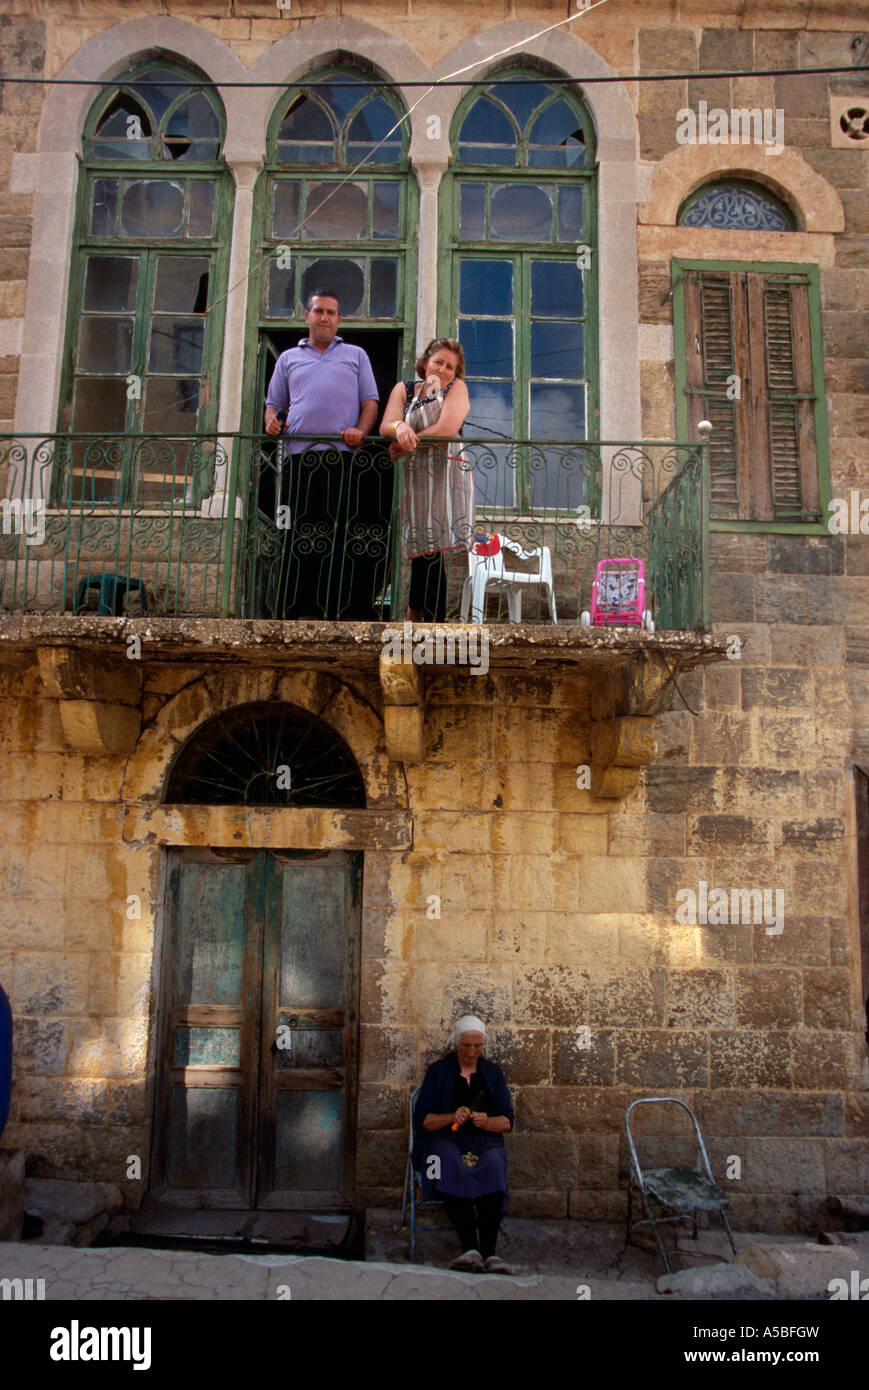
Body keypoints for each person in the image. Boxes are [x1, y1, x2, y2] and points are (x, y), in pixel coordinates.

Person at [264, 290, 380, 619]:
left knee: (340, 530)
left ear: (339, 320)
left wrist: (361, 430)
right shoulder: (288, 358)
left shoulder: (356, 355)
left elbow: (370, 402)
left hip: (341, 457)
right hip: (299, 457)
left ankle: (340, 607)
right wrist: (272, 422)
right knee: (299, 531)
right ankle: (302, 609)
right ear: (307, 316)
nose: (324, 317)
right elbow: (272, 405)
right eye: (318, 311)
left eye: (331, 312)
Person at [380, 338, 473, 621]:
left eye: (450, 366)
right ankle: (415, 615)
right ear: (425, 362)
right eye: (438, 362)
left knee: (435, 545)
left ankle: (433, 620)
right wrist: (401, 427)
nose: (443, 370)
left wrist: (408, 441)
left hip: (448, 472)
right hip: (418, 473)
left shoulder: (456, 388)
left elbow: (447, 428)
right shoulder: (404, 389)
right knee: (422, 544)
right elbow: (387, 424)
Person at [413, 1014, 514, 1274]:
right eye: (466, 1046)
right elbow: (424, 1121)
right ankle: (470, 1248)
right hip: (445, 1140)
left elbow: (507, 1122)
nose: (472, 1052)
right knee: (446, 1162)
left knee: (494, 1164)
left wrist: (486, 1121)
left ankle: (490, 1253)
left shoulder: (492, 1073)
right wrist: (451, 1117)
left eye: (477, 1047)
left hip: (484, 1140)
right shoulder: (439, 1072)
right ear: (457, 1044)